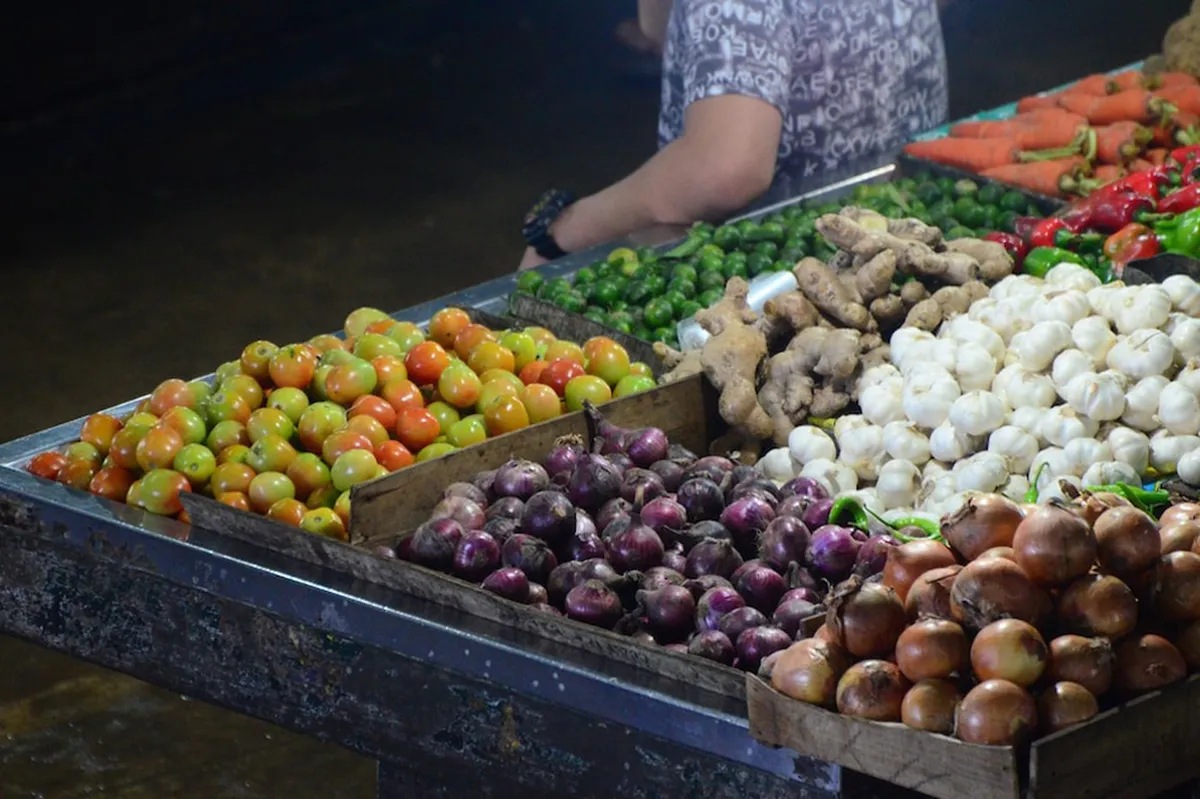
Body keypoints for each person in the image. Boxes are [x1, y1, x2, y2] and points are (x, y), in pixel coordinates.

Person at [519, 0, 950, 269]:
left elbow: (724, 169)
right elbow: (658, 28)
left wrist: (562, 235)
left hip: (787, 271)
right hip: (913, 228)